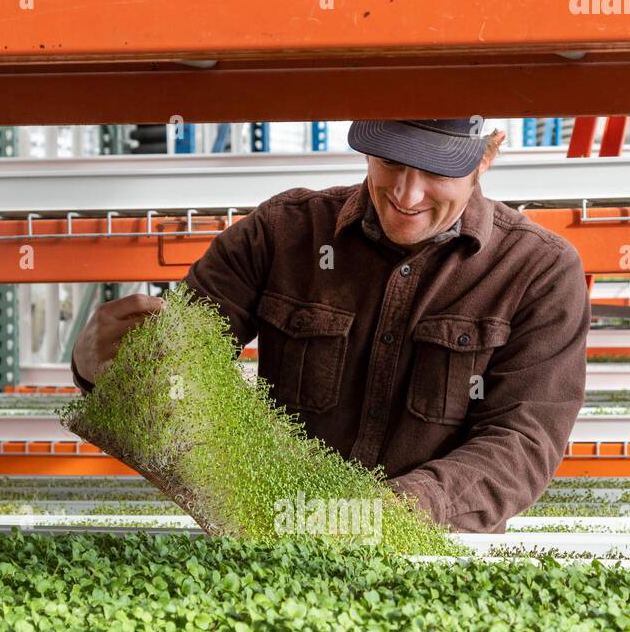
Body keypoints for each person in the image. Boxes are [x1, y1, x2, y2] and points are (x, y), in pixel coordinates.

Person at [72, 117, 590, 532]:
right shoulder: (284, 232)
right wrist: (105, 366)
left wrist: (394, 512)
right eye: (390, 161)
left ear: (487, 153)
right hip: (274, 538)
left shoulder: (537, 271)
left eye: (436, 170)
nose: (407, 197)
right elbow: (178, 364)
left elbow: (523, 440)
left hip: (436, 555)